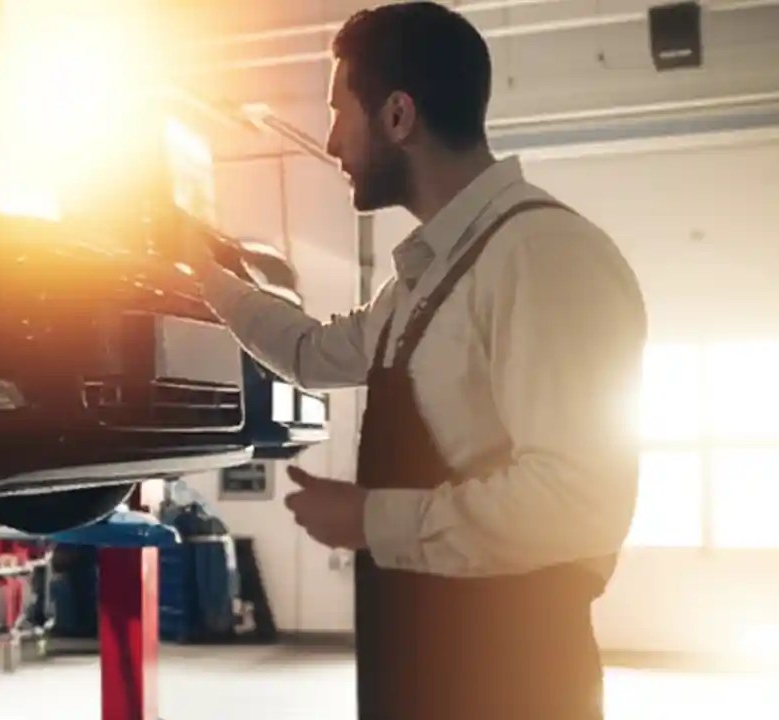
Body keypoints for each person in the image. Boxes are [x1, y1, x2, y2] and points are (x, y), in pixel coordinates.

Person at [185, 3, 648, 718]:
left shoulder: (544, 256)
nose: (331, 141)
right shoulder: (425, 279)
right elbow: (312, 353)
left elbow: (577, 502)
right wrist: (205, 277)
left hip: (511, 681)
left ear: (398, 116)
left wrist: (371, 519)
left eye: (339, 112)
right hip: (422, 662)